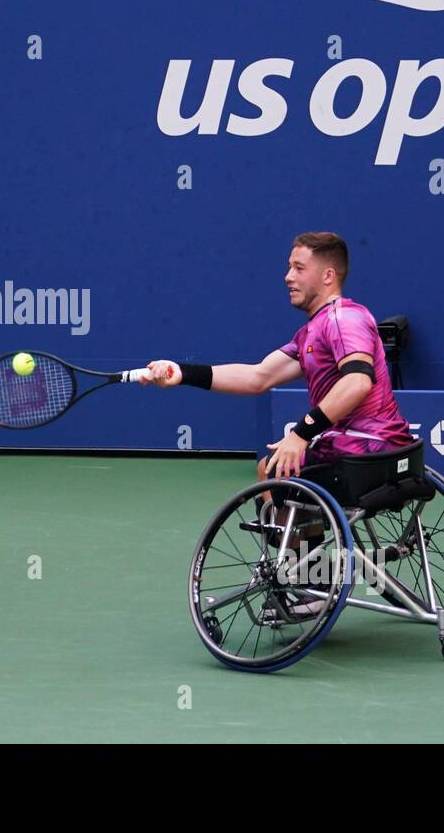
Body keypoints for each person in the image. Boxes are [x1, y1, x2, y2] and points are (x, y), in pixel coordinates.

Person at [139, 231, 413, 616]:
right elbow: (257, 377)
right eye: (289, 267)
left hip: (365, 455)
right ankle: (306, 562)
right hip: (386, 453)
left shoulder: (341, 319)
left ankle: (311, 586)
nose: (288, 276)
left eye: (299, 268)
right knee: (276, 470)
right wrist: (182, 373)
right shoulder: (315, 331)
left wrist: (301, 434)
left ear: (328, 275)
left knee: (274, 469)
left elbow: (357, 381)